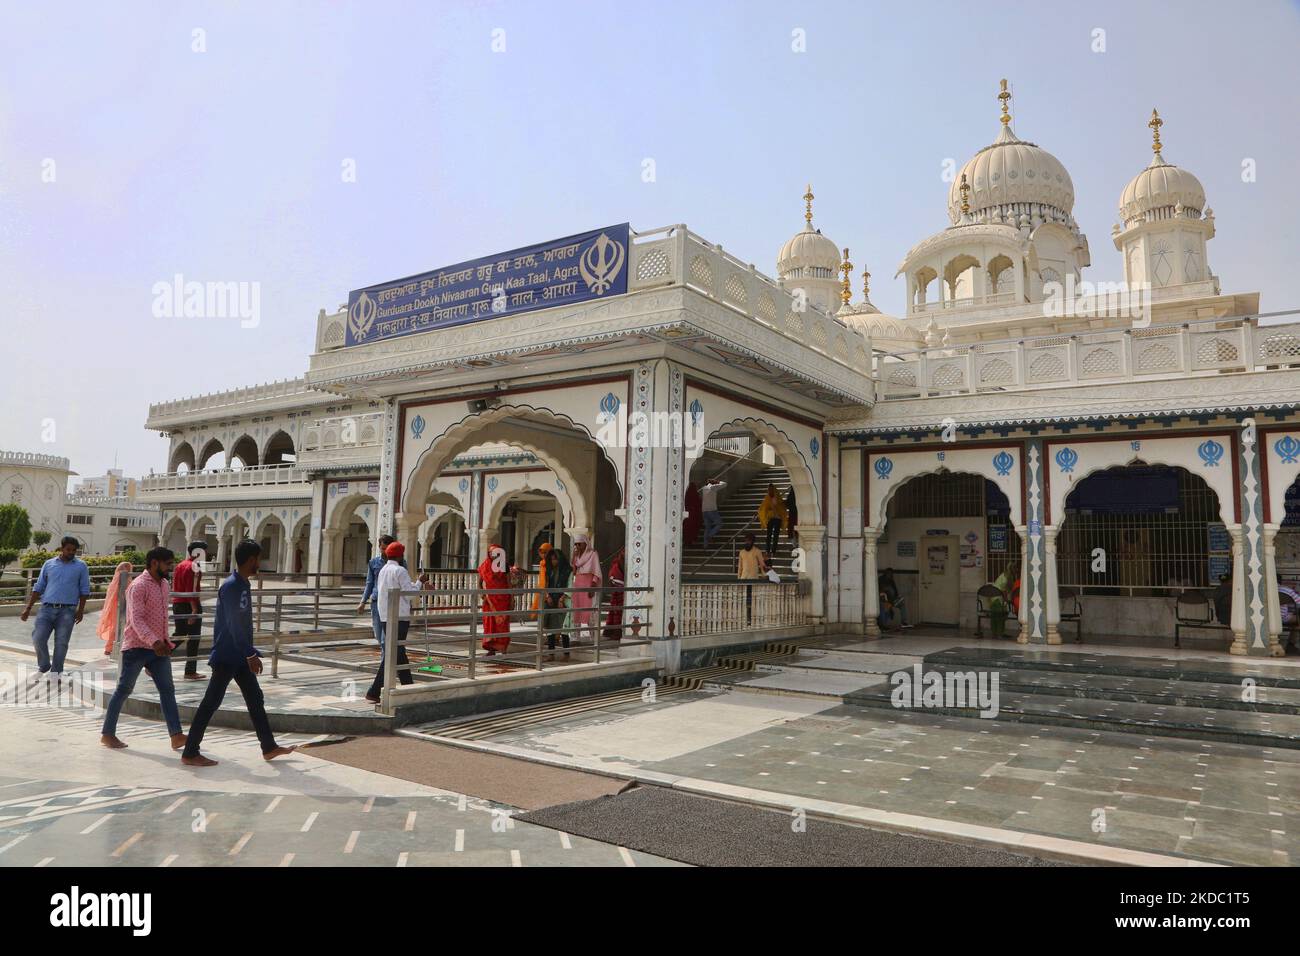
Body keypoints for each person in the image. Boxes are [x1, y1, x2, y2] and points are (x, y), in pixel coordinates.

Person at [181, 540, 296, 767]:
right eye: (258, 559)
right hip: (227, 655)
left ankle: (269, 747)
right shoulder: (232, 586)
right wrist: (249, 654)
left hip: (240, 656)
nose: (260, 563)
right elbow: (233, 624)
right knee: (210, 703)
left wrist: (250, 652)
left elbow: (242, 624)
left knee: (255, 700)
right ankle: (190, 751)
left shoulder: (242, 584)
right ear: (251, 559)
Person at [100, 548, 187, 752]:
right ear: (155, 563)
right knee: (124, 690)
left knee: (167, 691)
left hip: (158, 649)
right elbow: (135, 619)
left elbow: (163, 617)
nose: (170, 567)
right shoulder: (138, 586)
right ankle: (107, 733)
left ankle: (176, 735)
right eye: (167, 563)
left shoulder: (164, 584)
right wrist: (154, 642)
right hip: (137, 648)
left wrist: (163, 642)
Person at [365, 541, 430, 703]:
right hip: (399, 617)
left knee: (398, 652)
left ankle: (408, 686)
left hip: (386, 616)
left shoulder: (384, 570)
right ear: (401, 556)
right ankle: (373, 691)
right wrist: (420, 581)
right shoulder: (400, 570)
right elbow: (409, 594)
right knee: (394, 652)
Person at [21, 536, 91, 683]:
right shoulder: (49, 564)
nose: (71, 552)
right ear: (61, 548)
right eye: (68, 549)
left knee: (61, 642)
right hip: (46, 609)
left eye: (74, 550)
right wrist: (28, 608)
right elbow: (38, 587)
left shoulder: (81, 566)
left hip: (67, 611)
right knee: (38, 638)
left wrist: (81, 610)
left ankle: (56, 673)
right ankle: (44, 665)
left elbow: (84, 590)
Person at [171, 542, 207, 680]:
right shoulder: (194, 566)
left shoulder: (181, 565)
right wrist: (194, 610)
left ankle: (154, 660)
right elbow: (191, 590)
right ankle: (190, 671)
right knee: (193, 638)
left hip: (178, 603)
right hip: (189, 604)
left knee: (180, 634)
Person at [357, 534, 399, 647]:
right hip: (377, 601)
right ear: (379, 548)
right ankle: (385, 661)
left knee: (386, 638)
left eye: (387, 548)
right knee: (378, 634)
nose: (385, 551)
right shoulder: (373, 563)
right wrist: (363, 602)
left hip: (391, 603)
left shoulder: (399, 563)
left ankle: (384, 663)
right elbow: (369, 583)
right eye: (383, 548)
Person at [478, 539, 512, 655]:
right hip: (490, 600)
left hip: (503, 600)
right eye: (492, 553)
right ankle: (491, 648)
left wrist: (512, 599)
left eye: (497, 553)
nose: (494, 556)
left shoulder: (504, 566)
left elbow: (509, 583)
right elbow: (479, 583)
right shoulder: (484, 566)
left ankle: (503, 648)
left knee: (502, 624)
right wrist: (483, 594)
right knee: (490, 624)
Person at [96, 560, 133, 656]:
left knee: (118, 628)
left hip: (123, 607)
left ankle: (112, 648)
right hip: (119, 608)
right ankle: (110, 648)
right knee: (117, 628)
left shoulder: (119, 579)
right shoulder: (120, 578)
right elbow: (116, 595)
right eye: (125, 567)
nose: (127, 569)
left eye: (128, 567)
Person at [570, 535, 602, 643]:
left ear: (586, 543)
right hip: (578, 584)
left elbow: (596, 572)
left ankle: (594, 637)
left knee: (589, 612)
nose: (578, 546)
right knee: (576, 610)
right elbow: (574, 572)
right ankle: (575, 637)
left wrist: (592, 586)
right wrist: (574, 556)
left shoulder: (593, 554)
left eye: (580, 544)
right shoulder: (577, 556)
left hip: (589, 584)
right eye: (576, 544)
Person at [541, 546, 572, 652]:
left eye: (555, 559)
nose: (553, 561)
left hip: (563, 602)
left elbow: (570, 586)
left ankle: (566, 654)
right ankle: (551, 653)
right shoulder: (549, 571)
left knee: (564, 629)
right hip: (551, 601)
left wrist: (561, 599)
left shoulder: (568, 571)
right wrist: (547, 596)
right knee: (550, 627)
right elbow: (546, 586)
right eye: (551, 559)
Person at [737, 533, 767, 624]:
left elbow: (762, 565)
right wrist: (738, 579)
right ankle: (745, 618)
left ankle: (751, 619)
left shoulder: (757, 551)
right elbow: (740, 567)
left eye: (749, 541)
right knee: (744, 601)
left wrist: (764, 575)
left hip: (754, 579)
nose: (747, 542)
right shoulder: (741, 552)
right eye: (746, 540)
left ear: (752, 542)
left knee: (753, 601)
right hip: (743, 579)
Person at [757, 484, 788, 556]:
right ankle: (767, 550)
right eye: (769, 489)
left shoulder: (778, 497)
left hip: (778, 519)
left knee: (776, 535)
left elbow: (782, 507)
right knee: (769, 535)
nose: (770, 491)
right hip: (770, 519)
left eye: (771, 489)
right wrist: (769, 512)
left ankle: (773, 551)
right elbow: (763, 508)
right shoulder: (767, 498)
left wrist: (777, 509)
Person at [700, 477, 726, 549]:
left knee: (707, 527)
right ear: (712, 483)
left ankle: (705, 545)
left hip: (704, 510)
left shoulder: (704, 488)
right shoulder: (713, 487)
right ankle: (710, 535)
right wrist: (717, 481)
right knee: (719, 523)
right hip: (712, 509)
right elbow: (724, 484)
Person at [683, 482, 703, 546]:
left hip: (689, 514)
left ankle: (688, 541)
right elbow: (698, 504)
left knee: (688, 528)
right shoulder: (695, 494)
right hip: (695, 515)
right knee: (694, 528)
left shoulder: (687, 495)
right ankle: (692, 540)